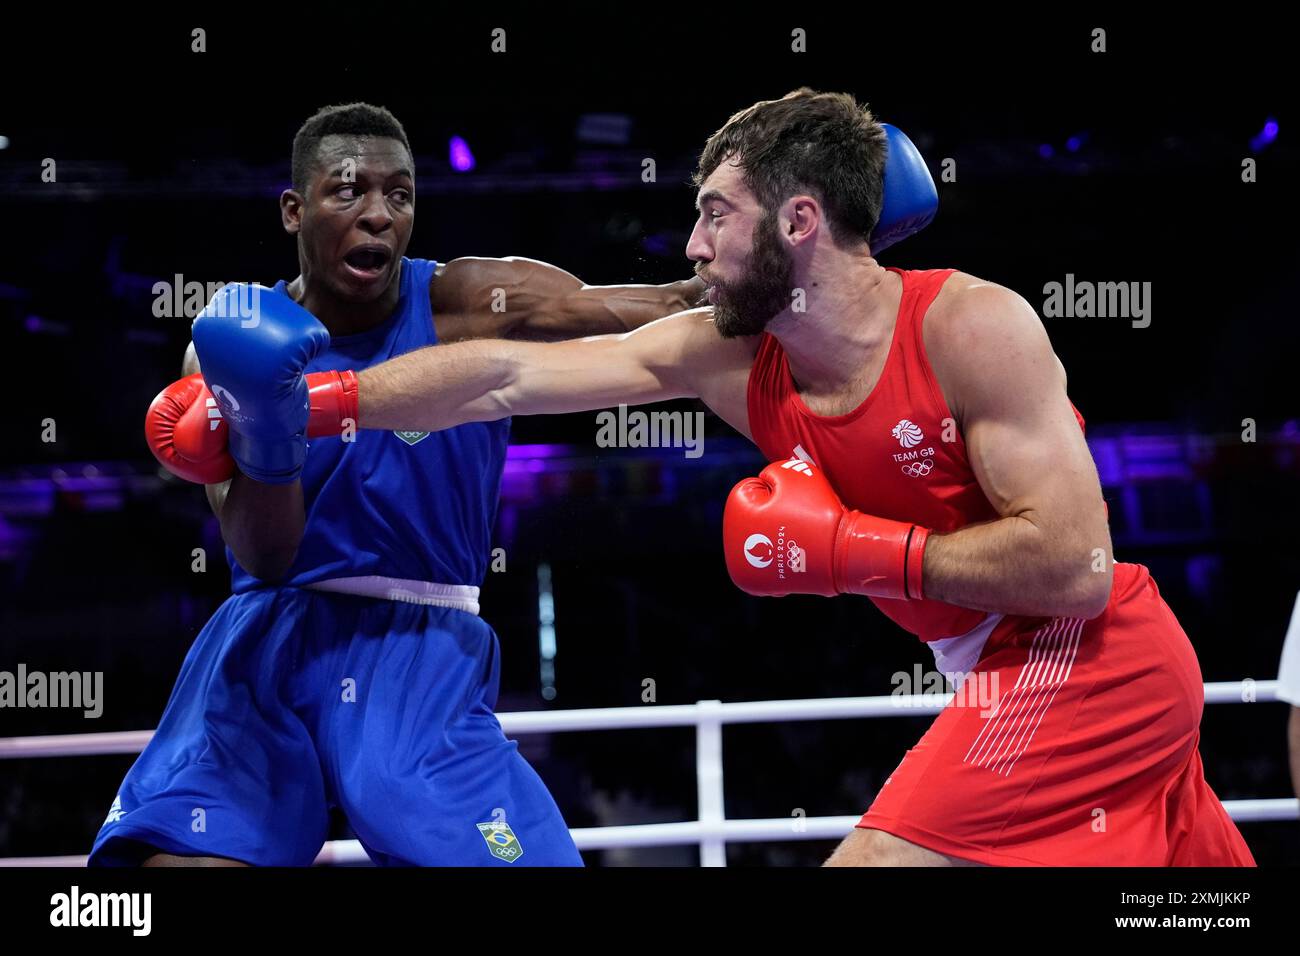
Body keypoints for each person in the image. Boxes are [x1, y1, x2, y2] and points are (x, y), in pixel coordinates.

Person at [161, 88, 1255, 866]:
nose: (687, 243)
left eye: (713, 215)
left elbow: (1072, 565)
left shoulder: (974, 322)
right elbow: (499, 375)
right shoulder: (730, 352)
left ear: (797, 221)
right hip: (995, 664)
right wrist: (311, 405)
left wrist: (852, 551)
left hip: (1086, 651)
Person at [92, 102, 702, 867]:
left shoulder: (471, 303)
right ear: (294, 209)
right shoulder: (225, 349)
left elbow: (664, 309)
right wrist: (268, 429)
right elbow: (267, 555)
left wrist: (791, 275)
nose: (378, 215)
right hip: (268, 644)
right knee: (172, 867)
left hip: (418, 647)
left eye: (401, 195)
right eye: (348, 192)